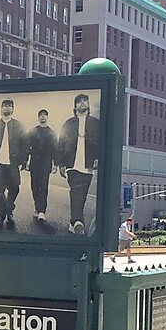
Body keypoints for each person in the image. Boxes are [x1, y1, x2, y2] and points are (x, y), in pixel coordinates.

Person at [57, 94, 100, 235]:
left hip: (87, 164)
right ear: (75, 106)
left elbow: (101, 142)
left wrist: (98, 158)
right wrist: (61, 163)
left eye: (84, 101)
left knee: (83, 194)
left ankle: (73, 223)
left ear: (88, 104)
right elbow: (61, 144)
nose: (82, 104)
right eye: (79, 102)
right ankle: (78, 221)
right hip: (71, 164)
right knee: (75, 191)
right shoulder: (68, 123)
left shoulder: (95, 123)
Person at [0, 99, 29, 229]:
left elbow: (25, 145)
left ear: (13, 109)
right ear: (1, 108)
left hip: (12, 164)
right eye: (4, 106)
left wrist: (23, 160)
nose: (6, 108)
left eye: (9, 106)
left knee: (15, 188)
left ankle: (9, 209)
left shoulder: (19, 126)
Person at [26, 109, 59, 222]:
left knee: (43, 186)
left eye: (45, 115)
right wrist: (26, 161)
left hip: (46, 162)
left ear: (47, 117)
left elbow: (55, 149)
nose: (43, 117)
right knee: (34, 186)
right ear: (38, 117)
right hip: (35, 162)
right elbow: (27, 147)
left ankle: (42, 211)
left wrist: (56, 164)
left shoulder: (51, 132)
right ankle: (37, 207)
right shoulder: (32, 131)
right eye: (41, 115)